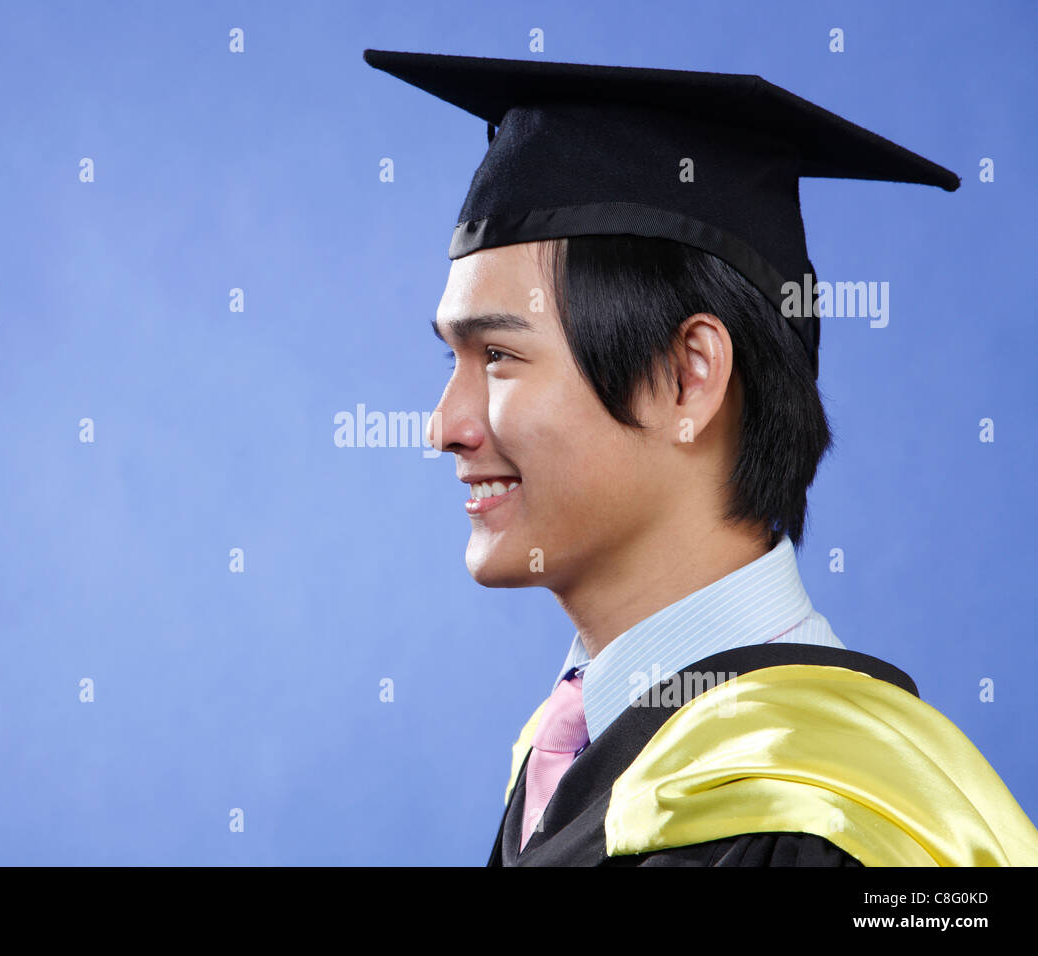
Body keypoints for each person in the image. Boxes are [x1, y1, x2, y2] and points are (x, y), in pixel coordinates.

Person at [364, 47, 1038, 866]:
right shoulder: (576, 756)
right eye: (452, 362)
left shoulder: (816, 822)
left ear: (689, 378)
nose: (443, 427)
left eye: (500, 357)